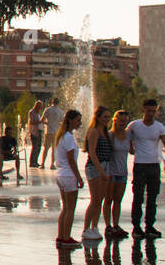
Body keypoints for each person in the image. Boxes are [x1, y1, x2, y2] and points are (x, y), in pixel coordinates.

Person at [126, 99, 165, 241]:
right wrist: (131, 148)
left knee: (152, 198)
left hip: (154, 165)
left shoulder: (159, 127)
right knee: (138, 197)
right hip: (140, 165)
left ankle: (149, 226)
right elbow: (125, 137)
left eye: (154, 111)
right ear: (143, 110)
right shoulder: (135, 125)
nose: (151, 114)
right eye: (149, 111)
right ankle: (136, 227)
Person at [81, 106, 112, 241]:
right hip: (95, 167)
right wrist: (101, 171)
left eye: (109, 117)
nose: (107, 119)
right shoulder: (94, 132)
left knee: (100, 199)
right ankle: (86, 228)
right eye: (105, 117)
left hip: (105, 166)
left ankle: (94, 226)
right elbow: (92, 153)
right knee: (95, 200)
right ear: (98, 117)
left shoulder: (105, 132)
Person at [53, 109, 83, 248]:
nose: (80, 123)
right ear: (70, 120)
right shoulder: (69, 137)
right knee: (71, 208)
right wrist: (79, 177)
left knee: (65, 208)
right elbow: (71, 159)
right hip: (69, 175)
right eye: (78, 120)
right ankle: (66, 237)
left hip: (60, 174)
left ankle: (60, 236)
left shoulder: (61, 136)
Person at [101, 110, 132, 239]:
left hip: (122, 172)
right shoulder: (109, 135)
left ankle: (116, 225)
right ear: (115, 121)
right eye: (120, 120)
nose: (123, 123)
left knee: (118, 200)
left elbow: (132, 150)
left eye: (125, 121)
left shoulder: (128, 136)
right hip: (111, 172)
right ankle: (108, 226)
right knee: (108, 199)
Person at [40, 98, 64, 170]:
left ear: (52, 102)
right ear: (58, 103)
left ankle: (43, 164)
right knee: (54, 149)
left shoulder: (47, 109)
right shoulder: (61, 111)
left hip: (48, 131)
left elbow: (41, 120)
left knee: (46, 148)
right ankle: (52, 164)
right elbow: (62, 122)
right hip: (56, 132)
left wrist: (47, 123)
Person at [27, 100, 44, 167]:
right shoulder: (32, 112)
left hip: (39, 131)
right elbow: (31, 122)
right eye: (40, 106)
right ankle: (32, 162)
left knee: (39, 147)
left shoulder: (38, 113)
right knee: (35, 147)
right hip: (34, 132)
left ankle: (35, 161)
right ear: (37, 105)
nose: (40, 108)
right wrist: (39, 122)